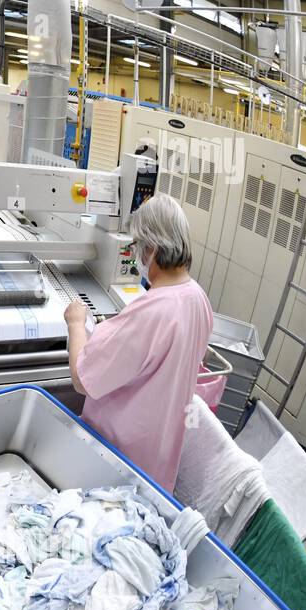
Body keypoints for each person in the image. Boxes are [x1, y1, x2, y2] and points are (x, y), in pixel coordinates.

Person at [65, 193, 213, 491]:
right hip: (157, 467)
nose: (137, 256)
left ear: (153, 249)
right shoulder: (199, 299)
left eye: (137, 247)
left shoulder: (151, 311)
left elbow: (83, 378)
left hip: (115, 465)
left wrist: (76, 323)